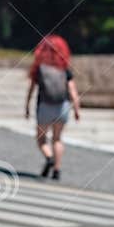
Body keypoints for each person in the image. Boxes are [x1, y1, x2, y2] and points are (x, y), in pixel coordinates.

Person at [25, 34, 81, 180]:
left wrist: (27, 106)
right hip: (62, 106)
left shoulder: (40, 69)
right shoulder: (65, 70)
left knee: (41, 139)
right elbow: (73, 91)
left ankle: (49, 157)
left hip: (44, 106)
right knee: (57, 139)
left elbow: (31, 89)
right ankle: (57, 169)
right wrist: (76, 110)